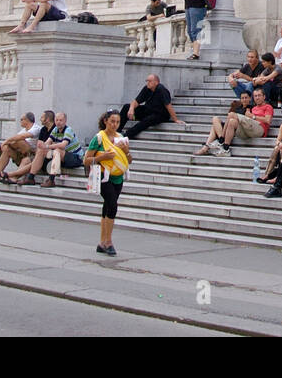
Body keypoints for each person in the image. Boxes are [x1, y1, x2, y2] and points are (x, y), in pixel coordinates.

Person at [84, 108, 131, 257]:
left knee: (108, 207)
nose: (115, 124)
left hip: (118, 177)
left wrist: (126, 151)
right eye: (112, 121)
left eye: (117, 122)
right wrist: (102, 157)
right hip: (103, 176)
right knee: (112, 205)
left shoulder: (121, 138)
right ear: (106, 121)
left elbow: (129, 160)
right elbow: (86, 160)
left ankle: (102, 242)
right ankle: (108, 242)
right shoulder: (98, 138)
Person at [195, 86, 274, 158]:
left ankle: (220, 140)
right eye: (255, 96)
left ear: (264, 97)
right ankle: (225, 148)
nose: (257, 98)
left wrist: (252, 116)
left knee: (232, 115)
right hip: (248, 129)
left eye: (259, 95)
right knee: (232, 121)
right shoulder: (253, 109)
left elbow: (268, 120)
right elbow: (247, 121)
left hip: (260, 129)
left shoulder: (268, 107)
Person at [15, 111, 83, 187]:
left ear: (65, 121)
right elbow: (48, 142)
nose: (58, 122)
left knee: (57, 151)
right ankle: (31, 178)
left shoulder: (68, 130)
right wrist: (42, 146)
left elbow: (63, 145)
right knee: (42, 150)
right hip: (62, 158)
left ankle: (51, 180)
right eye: (57, 120)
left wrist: (47, 147)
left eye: (61, 120)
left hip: (75, 158)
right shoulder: (55, 130)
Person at [122, 73, 182, 137]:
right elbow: (136, 101)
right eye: (147, 81)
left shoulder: (161, 90)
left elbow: (168, 105)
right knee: (126, 107)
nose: (147, 83)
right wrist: (131, 109)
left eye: (150, 81)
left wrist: (175, 119)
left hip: (160, 114)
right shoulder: (146, 88)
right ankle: (117, 131)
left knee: (148, 120)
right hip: (148, 110)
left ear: (156, 82)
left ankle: (127, 135)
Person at [4, 110, 57, 182]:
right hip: (41, 155)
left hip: (51, 157)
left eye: (42, 117)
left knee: (32, 159)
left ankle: (10, 174)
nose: (40, 119)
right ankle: (14, 178)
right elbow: (39, 145)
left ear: (47, 119)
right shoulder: (43, 130)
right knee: (26, 159)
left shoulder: (55, 129)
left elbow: (54, 146)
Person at [0, 112, 39, 182]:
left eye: (21, 119)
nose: (20, 121)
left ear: (27, 120)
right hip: (21, 154)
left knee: (19, 141)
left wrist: (6, 141)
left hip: (31, 156)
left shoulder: (36, 128)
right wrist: (3, 145)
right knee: (6, 150)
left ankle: (14, 178)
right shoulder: (23, 130)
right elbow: (13, 141)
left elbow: (21, 137)